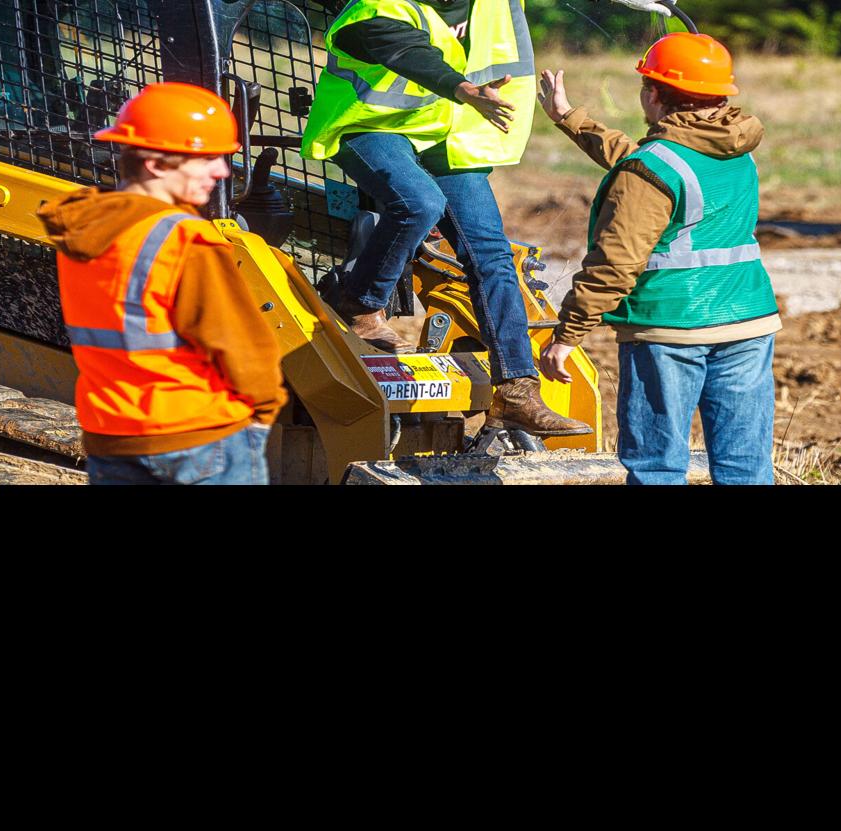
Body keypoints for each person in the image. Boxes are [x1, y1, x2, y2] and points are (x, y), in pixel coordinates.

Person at [301, 0, 589, 437]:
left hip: (441, 135)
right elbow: (405, 52)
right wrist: (466, 90)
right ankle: (360, 302)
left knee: (492, 254)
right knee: (418, 202)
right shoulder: (375, 10)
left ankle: (516, 391)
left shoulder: (491, 8)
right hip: (366, 127)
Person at [537, 33, 780, 484]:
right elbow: (645, 163)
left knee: (657, 468)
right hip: (749, 321)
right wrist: (571, 119)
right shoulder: (733, 143)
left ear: (653, 94)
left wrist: (568, 336)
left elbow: (614, 264)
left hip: (670, 328)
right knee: (746, 467)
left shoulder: (654, 168)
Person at [38, 82, 288, 485]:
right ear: (156, 162)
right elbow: (241, 345)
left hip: (112, 437)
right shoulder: (186, 240)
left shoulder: (81, 231)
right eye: (206, 159)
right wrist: (262, 410)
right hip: (200, 436)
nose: (222, 171)